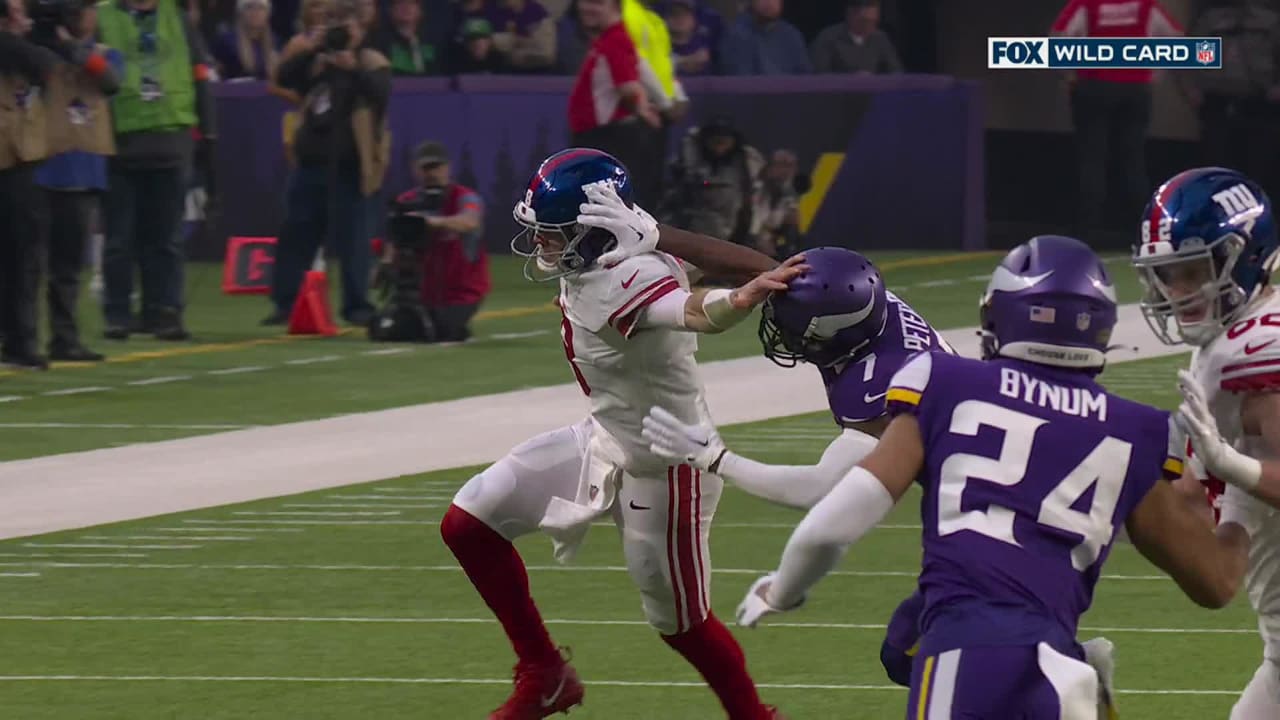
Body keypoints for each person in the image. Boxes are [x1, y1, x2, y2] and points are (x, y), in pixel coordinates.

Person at [732, 235, 1251, 716]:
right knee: (901, 643)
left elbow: (831, 523)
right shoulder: (1140, 430)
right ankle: (1080, 673)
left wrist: (782, 591)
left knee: (916, 639)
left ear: (999, 314)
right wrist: (1239, 481)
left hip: (971, 649)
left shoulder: (938, 380)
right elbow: (1216, 582)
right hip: (1046, 641)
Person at [439, 148, 796, 720]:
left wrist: (737, 297)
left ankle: (754, 716)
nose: (540, 245)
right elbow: (742, 265)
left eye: (552, 234)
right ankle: (544, 672)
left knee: (681, 626)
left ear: (593, 229)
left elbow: (696, 309)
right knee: (468, 523)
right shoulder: (618, 257)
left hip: (668, 464)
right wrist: (659, 233)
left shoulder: (628, 274)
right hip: (606, 438)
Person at [1133, 167, 1280, 719]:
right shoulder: (1243, 333)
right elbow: (1208, 511)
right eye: (1167, 275)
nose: (1177, 292)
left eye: (1193, 271)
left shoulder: (1254, 350)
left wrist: (1230, 465)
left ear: (1242, 256)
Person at [97, 0, 217, 341]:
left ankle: (164, 312)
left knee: (166, 238)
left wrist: (209, 131)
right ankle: (118, 314)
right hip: (121, 138)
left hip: (170, 139)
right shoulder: (104, 16)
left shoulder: (175, 17)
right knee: (120, 238)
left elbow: (200, 73)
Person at [264, 0, 389, 327]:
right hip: (311, 162)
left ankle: (357, 305)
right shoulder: (317, 61)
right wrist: (311, 49)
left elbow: (380, 95)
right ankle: (285, 303)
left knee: (353, 240)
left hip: (350, 165)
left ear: (360, 28)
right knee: (297, 235)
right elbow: (284, 77)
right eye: (333, 22)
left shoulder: (370, 60)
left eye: (345, 23)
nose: (339, 30)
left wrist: (352, 69)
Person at [1050, 0, 1182, 244]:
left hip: (1094, 84)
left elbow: (1059, 35)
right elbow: (1175, 35)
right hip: (1135, 88)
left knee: (1092, 158)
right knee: (1133, 160)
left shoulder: (1087, 3)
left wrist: (1067, 74)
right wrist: (1154, 72)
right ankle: (1145, 233)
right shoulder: (1145, 4)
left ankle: (1087, 231)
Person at [35, 0, 123, 362]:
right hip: (38, 168)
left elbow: (109, 80)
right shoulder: (36, 53)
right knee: (23, 263)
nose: (81, 17)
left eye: (83, 10)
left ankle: (64, 337)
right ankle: (18, 335)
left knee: (68, 267)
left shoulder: (106, 54)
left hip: (82, 169)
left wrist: (70, 46)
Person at [566, 0, 661, 206]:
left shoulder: (616, 39)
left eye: (598, 3)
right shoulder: (609, 38)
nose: (587, 7)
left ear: (616, 7)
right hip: (600, 142)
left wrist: (643, 111)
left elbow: (628, 87)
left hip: (607, 143)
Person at [403, 141, 486, 343]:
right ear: (416, 170)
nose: (431, 173)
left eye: (436, 167)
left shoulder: (464, 198)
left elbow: (470, 221)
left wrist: (431, 222)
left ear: (447, 167)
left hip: (462, 293)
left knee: (443, 330)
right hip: (422, 292)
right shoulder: (408, 200)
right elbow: (391, 236)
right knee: (401, 329)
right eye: (426, 168)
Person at [810, 0, 901, 75]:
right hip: (837, 94)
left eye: (874, 22)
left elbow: (896, 71)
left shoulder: (880, 38)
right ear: (850, 15)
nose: (870, 26)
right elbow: (818, 74)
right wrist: (851, 79)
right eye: (865, 21)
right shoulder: (828, 37)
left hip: (871, 94)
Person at [209, 0, 280, 80]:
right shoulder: (227, 40)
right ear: (241, 12)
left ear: (268, 14)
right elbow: (214, 72)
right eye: (249, 7)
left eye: (261, 8)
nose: (255, 12)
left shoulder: (275, 41)